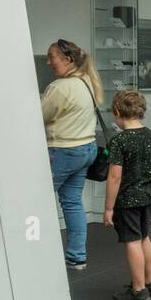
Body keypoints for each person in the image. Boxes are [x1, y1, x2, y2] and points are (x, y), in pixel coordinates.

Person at [42, 38, 103, 270]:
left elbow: (38, 117)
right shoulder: (86, 81)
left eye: (52, 57)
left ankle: (33, 250)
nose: (48, 62)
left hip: (64, 151)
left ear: (67, 59)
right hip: (86, 149)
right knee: (72, 202)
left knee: (37, 201)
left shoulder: (60, 88)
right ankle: (77, 257)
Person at [103, 90, 151, 300]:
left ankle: (138, 290)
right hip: (148, 195)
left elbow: (115, 175)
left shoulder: (119, 141)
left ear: (117, 111)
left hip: (128, 199)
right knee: (144, 236)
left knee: (132, 241)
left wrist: (109, 208)